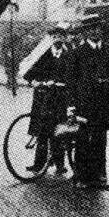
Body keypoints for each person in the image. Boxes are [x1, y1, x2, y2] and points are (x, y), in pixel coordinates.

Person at [64, 15, 109, 189]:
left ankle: (100, 176)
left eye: (98, 28)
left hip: (103, 103)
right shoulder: (77, 53)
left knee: (101, 139)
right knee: (83, 139)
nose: (95, 31)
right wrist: (71, 105)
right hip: (84, 103)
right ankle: (81, 177)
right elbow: (71, 81)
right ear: (86, 32)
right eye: (91, 29)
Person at [23, 24, 72, 175]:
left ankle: (59, 164)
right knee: (42, 131)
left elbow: (72, 75)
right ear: (51, 38)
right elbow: (29, 73)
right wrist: (37, 82)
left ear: (64, 38)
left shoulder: (69, 55)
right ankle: (39, 164)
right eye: (55, 36)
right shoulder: (44, 55)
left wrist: (65, 84)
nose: (58, 38)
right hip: (44, 98)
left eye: (61, 36)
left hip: (61, 98)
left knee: (59, 131)